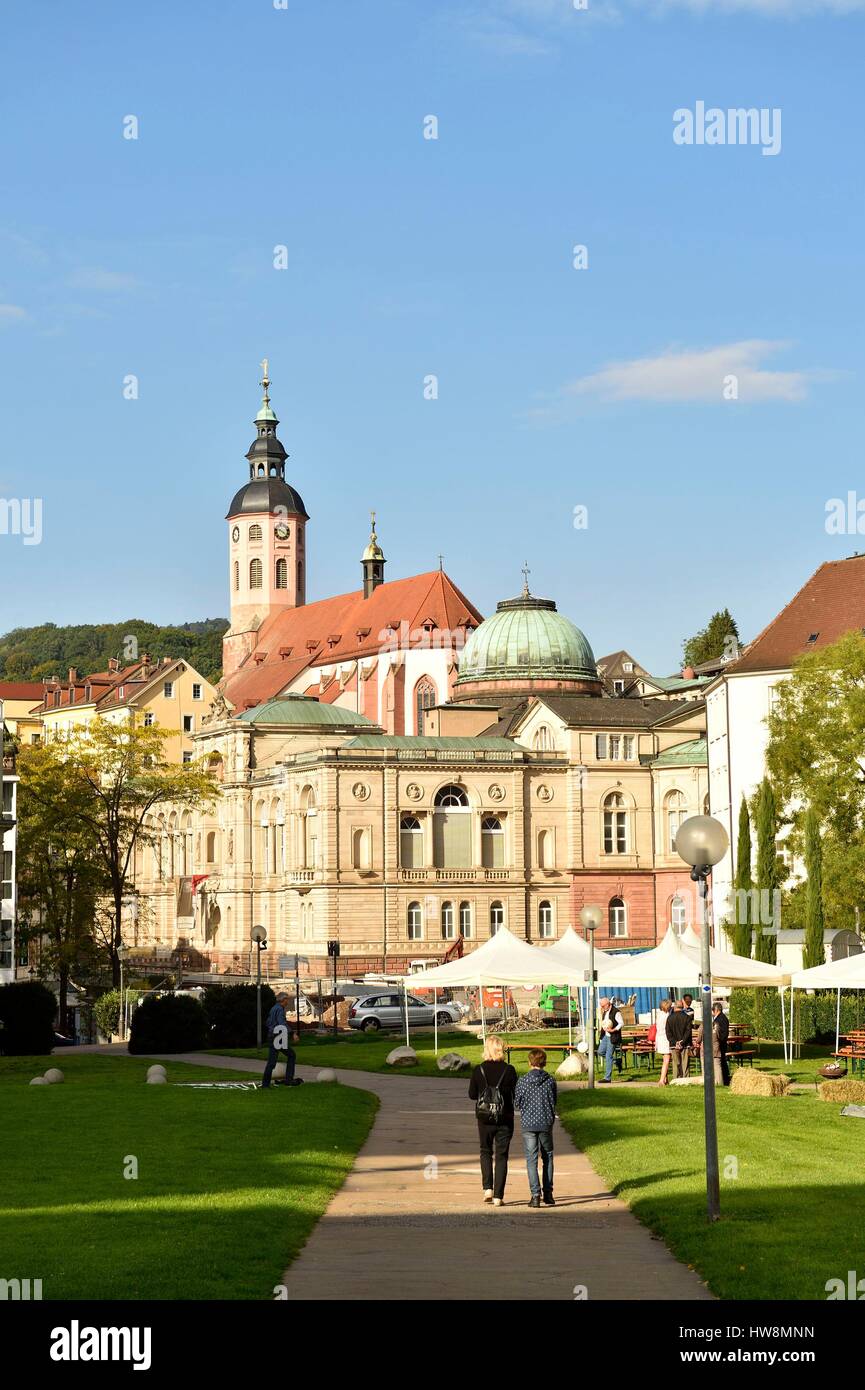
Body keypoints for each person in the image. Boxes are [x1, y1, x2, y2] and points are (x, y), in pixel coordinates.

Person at [468, 1036, 517, 1206]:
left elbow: (472, 1095)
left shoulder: (479, 1069)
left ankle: (487, 1187)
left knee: (485, 1151)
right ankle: (498, 1196)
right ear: (501, 1049)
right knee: (502, 1155)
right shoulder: (509, 1070)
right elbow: (515, 1094)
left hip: (484, 1118)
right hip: (505, 1117)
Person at [515, 1048, 558, 1208]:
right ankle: (548, 1194)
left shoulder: (523, 1081)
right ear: (544, 1062)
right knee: (547, 1157)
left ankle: (535, 1195)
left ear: (529, 1062)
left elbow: (516, 1103)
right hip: (546, 1122)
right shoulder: (550, 1080)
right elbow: (554, 1100)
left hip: (528, 1123)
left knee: (531, 1160)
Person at [262, 991, 303, 1088]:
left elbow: (268, 1022)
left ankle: (266, 1084)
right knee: (290, 1055)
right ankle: (288, 1079)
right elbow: (282, 1023)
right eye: (287, 999)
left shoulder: (273, 1008)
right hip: (278, 1037)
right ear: (283, 1000)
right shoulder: (280, 1009)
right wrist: (292, 1034)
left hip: (272, 1036)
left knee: (273, 1061)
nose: (288, 1001)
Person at [597, 996, 624, 1084]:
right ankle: (617, 1061)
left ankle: (607, 1078)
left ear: (608, 1004)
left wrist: (613, 1030)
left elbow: (621, 1023)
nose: (602, 1008)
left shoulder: (616, 1012)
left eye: (603, 1006)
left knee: (608, 1056)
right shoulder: (605, 1011)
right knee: (600, 1052)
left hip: (613, 1036)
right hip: (605, 1035)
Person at [665, 999, 692, 1079]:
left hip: (673, 1045)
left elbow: (668, 1033)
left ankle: (676, 1079)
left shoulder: (669, 1018)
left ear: (675, 1007)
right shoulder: (687, 1017)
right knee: (685, 1064)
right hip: (685, 1044)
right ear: (683, 1007)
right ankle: (686, 1080)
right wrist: (682, 1042)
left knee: (676, 1064)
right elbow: (688, 1032)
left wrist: (675, 1042)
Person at [655, 997, 673, 1087]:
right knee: (666, 1060)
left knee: (665, 1059)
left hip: (659, 1038)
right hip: (666, 1038)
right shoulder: (667, 1016)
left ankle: (666, 1079)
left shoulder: (659, 1014)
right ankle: (661, 1080)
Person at [714, 1000, 731, 1086]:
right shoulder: (723, 1018)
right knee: (723, 1062)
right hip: (722, 1043)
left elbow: (720, 1033)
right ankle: (725, 1078)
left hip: (720, 1043)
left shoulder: (719, 1019)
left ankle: (724, 1079)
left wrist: (718, 1041)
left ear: (716, 1010)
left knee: (721, 1062)